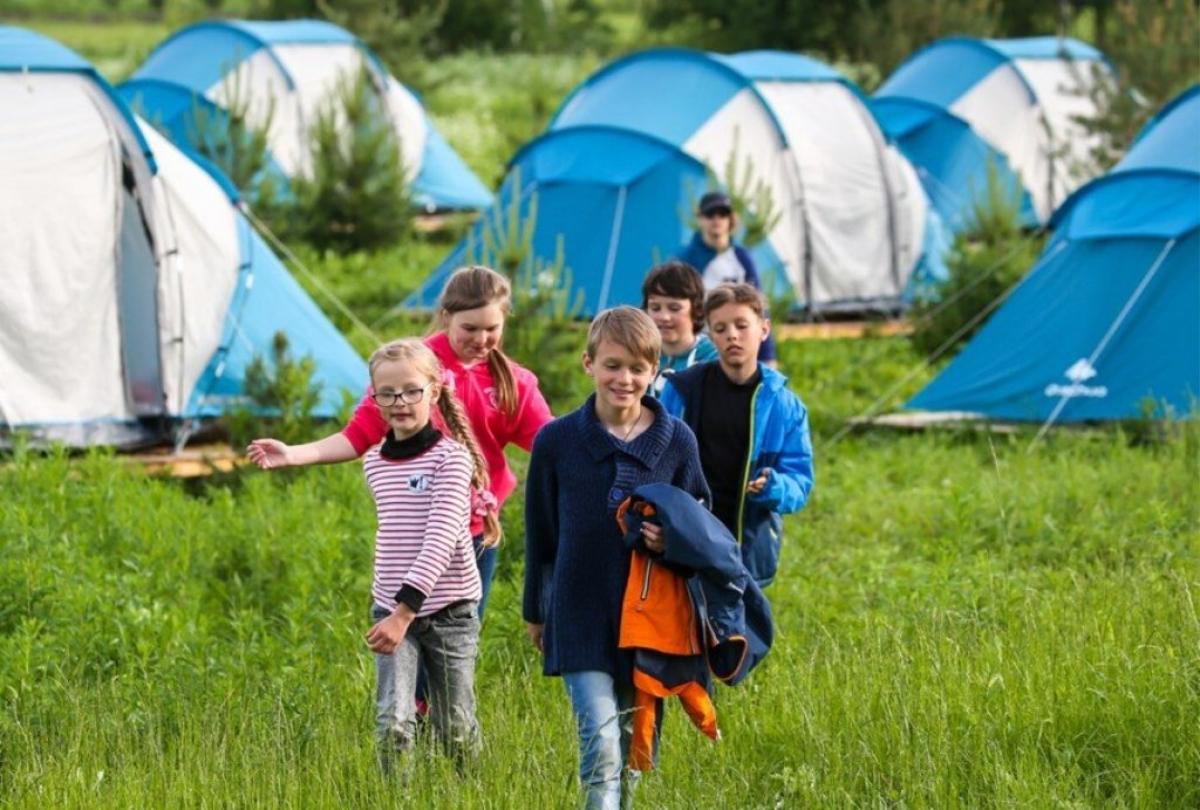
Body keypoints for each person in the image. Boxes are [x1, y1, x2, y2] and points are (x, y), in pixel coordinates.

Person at [247, 265, 552, 620]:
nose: (481, 339)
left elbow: (552, 443)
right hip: (412, 530)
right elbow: (357, 436)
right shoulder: (412, 368)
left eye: (492, 329)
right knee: (404, 634)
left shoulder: (513, 383)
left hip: (474, 533)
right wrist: (293, 454)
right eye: (469, 328)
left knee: (460, 640)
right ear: (446, 317)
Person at [523, 306, 710, 810]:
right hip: (579, 611)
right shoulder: (556, 441)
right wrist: (536, 613)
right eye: (612, 365)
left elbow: (700, 523)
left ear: (654, 372)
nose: (624, 379)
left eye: (637, 368)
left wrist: (667, 541)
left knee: (635, 749)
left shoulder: (677, 441)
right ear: (588, 363)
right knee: (601, 743)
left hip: (651, 618)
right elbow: (540, 534)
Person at [336, 338, 491, 765]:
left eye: (411, 390)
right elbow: (396, 534)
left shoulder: (451, 461)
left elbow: (440, 538)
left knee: (454, 726)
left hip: (448, 610)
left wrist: (406, 613)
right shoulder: (374, 463)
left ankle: (471, 794)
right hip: (389, 610)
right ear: (374, 398)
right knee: (393, 722)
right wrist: (394, 611)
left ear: (434, 391)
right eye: (387, 393)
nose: (399, 401)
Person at [659, 283, 814, 588]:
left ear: (764, 330)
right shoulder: (681, 391)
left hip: (748, 546)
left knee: (742, 633)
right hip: (688, 539)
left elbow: (800, 479)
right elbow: (656, 459)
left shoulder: (785, 406)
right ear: (710, 335)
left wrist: (774, 486)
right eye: (720, 328)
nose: (732, 335)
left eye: (742, 325)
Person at [676, 191, 777, 365]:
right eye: (710, 214)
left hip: (738, 345)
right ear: (700, 218)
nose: (716, 219)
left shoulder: (741, 258)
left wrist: (767, 355)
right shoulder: (686, 260)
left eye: (722, 214)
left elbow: (759, 307)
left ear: (731, 219)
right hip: (698, 349)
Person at [641, 260, 718, 397]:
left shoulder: (713, 360)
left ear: (698, 309)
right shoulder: (639, 356)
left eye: (674, 308)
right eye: (655, 308)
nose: (664, 317)